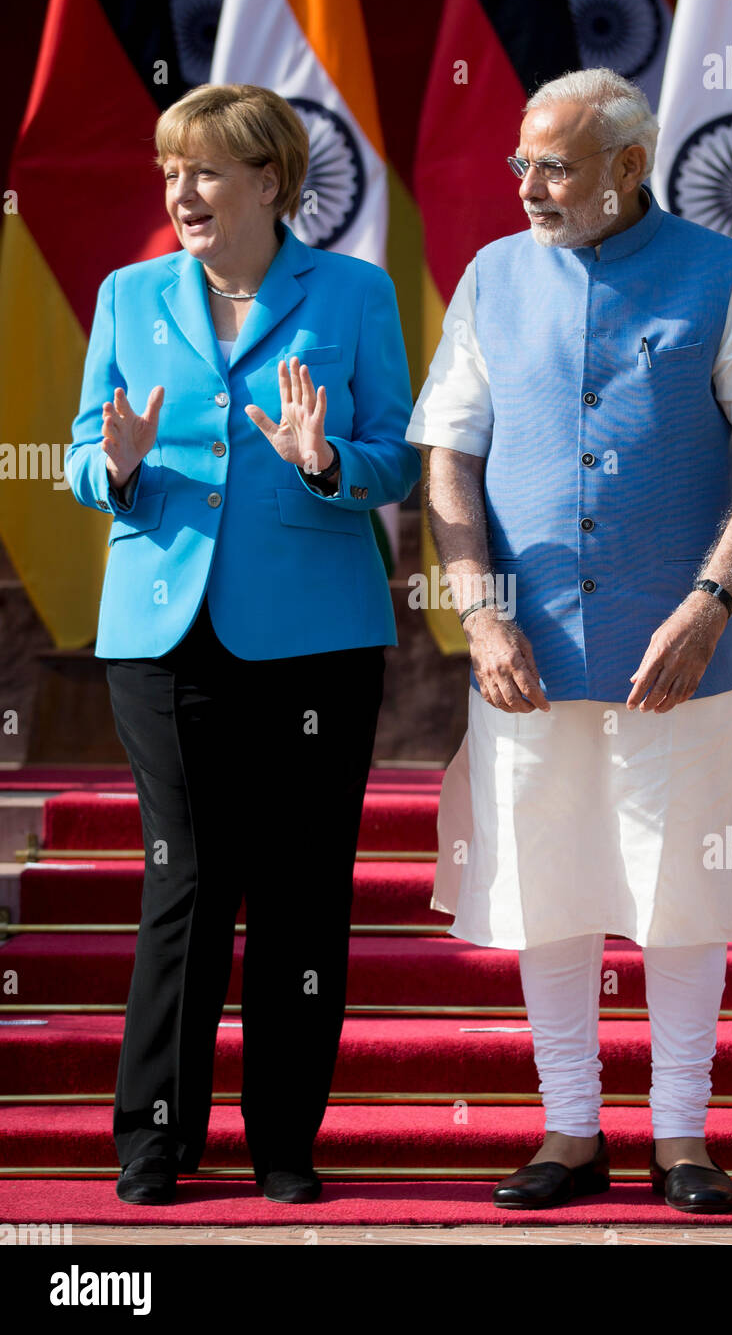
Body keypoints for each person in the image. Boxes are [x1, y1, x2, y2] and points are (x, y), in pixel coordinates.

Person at [405, 68, 732, 1213]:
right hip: (524, 654)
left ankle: (682, 1136)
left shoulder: (720, 272)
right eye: (519, 164)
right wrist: (478, 609)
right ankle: (569, 1130)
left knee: (681, 891)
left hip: (683, 658)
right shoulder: (491, 277)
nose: (529, 186)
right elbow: (447, 454)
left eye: (554, 165)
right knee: (544, 884)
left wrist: (706, 604)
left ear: (626, 169)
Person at [65, 82, 420, 1205]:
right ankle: (155, 1139)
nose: (182, 190)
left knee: (303, 886)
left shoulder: (355, 295)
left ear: (270, 181)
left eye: (206, 169)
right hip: (163, 638)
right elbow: (85, 450)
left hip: (317, 638)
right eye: (172, 170)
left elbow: (393, 462)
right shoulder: (127, 295)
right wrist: (112, 464)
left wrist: (326, 462)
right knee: (187, 875)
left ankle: (282, 1142)